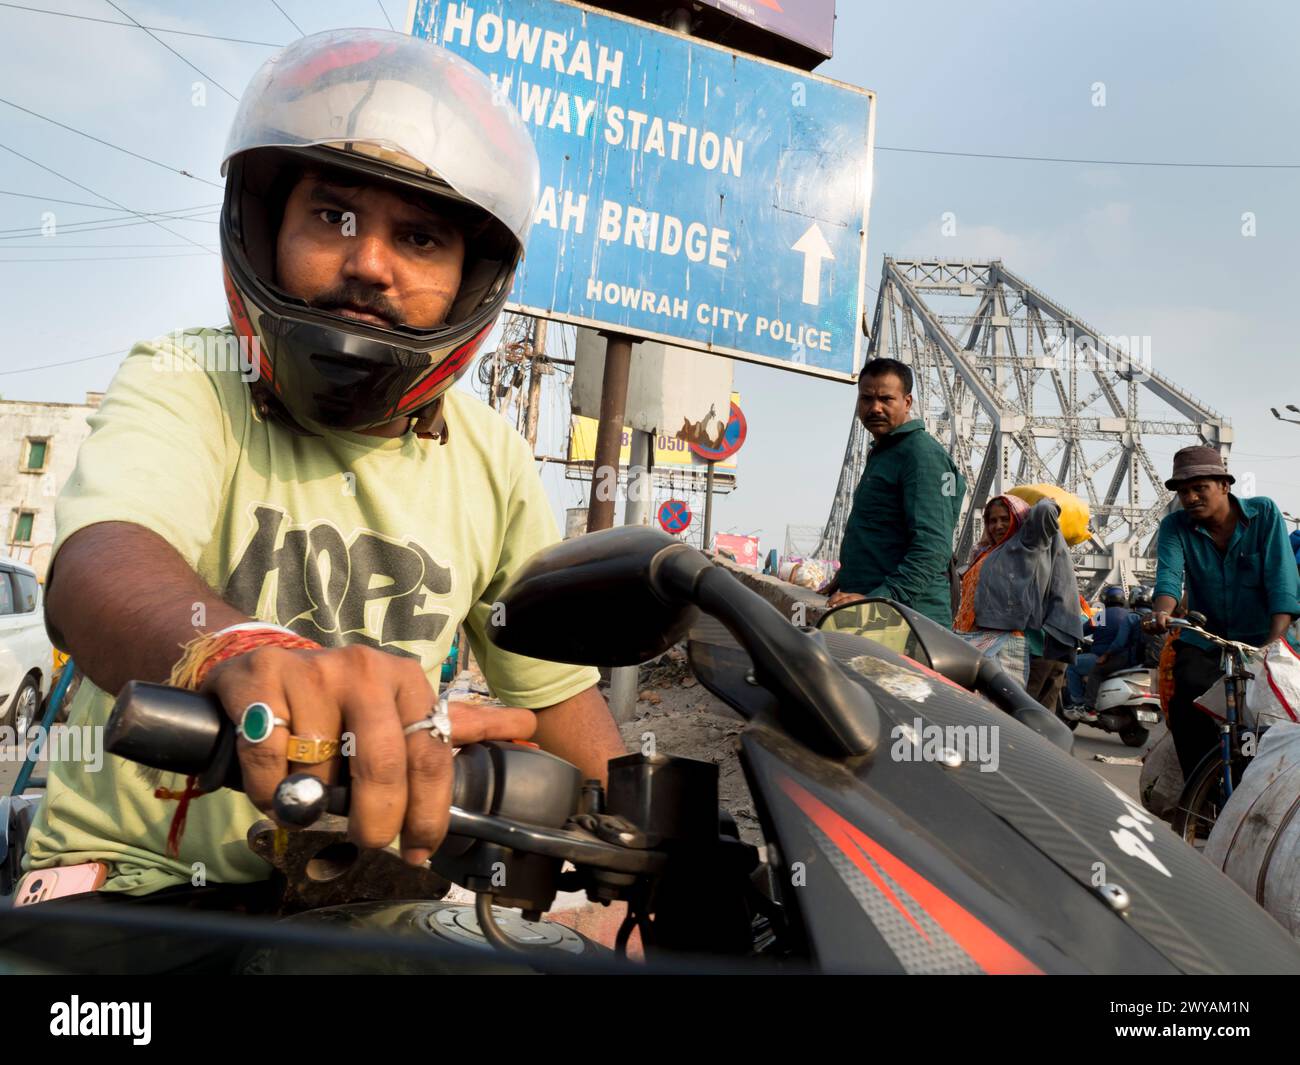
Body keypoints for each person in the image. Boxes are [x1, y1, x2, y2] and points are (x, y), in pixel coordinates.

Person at [22, 30, 626, 903]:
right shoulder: (191, 376)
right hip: (134, 889)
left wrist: (665, 837)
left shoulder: (491, 457)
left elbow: (557, 698)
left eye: (419, 238)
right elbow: (101, 561)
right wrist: (242, 651)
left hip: (363, 905)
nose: (369, 262)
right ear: (266, 231)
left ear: (471, 279)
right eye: (332, 216)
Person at [1147, 446, 1300, 778]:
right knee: (1186, 695)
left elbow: (1282, 582)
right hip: (1207, 638)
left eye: (1199, 487)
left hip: (1264, 637)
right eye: (1183, 491)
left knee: (1277, 718)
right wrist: (1162, 612)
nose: (1190, 497)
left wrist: (1272, 648)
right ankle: (1199, 788)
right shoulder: (1174, 526)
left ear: (1224, 486)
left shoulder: (1264, 515)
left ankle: (1270, 783)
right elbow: (1169, 577)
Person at [823, 358, 966, 627]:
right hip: (879, 613)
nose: (874, 408)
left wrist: (879, 601)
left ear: (907, 402)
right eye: (866, 399)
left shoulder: (922, 456)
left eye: (886, 399)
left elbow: (933, 548)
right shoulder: (886, 453)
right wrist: (846, 578)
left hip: (905, 622)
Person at [953, 494, 1084, 687]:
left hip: (1002, 644)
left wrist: (1045, 501)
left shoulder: (1025, 545)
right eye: (992, 521)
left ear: (1018, 518)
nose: (997, 526)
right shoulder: (986, 553)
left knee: (1003, 711)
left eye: (1005, 519)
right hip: (973, 640)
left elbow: (1044, 513)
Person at [1064, 585, 1133, 708]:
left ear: (1105, 599)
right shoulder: (1130, 615)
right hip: (1127, 660)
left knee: (1071, 666)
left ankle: (1078, 702)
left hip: (1102, 658)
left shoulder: (1102, 616)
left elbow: (1081, 631)